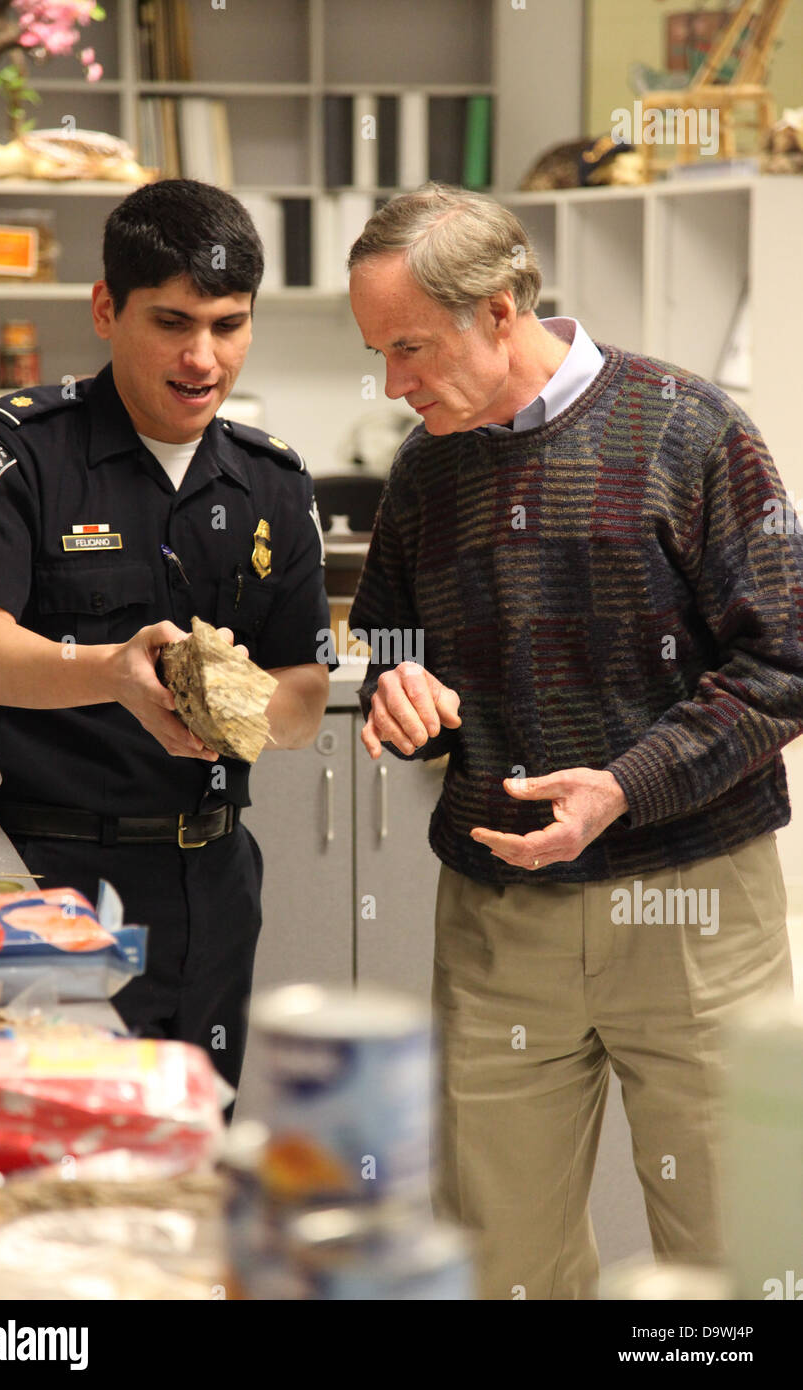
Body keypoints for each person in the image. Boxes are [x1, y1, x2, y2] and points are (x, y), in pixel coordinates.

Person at [346, 182, 803, 1299]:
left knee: (732, 1254)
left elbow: (782, 664)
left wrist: (623, 786)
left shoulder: (690, 428)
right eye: (377, 353)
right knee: (500, 1260)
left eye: (407, 348)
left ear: (499, 309)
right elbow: (390, 644)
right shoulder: (424, 468)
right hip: (500, 928)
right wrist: (394, 696)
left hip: (692, 910)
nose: (392, 385)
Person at [0, 179, 333, 1107]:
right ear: (106, 310)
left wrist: (233, 706)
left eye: (229, 325)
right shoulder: (15, 449)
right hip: (36, 876)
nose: (203, 358)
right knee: (46, 1170)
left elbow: (305, 696)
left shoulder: (272, 480)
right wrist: (110, 676)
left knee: (195, 1150)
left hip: (210, 880)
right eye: (173, 322)